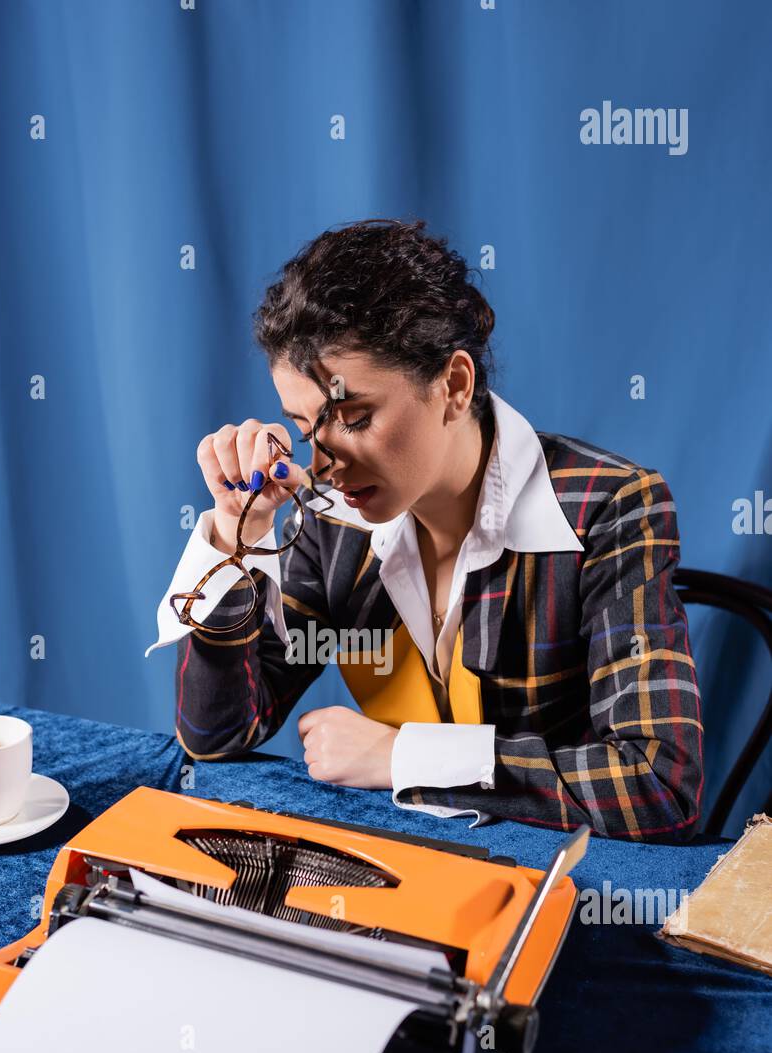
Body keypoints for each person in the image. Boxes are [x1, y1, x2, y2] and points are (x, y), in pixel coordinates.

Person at [147, 218, 704, 840]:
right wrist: (235, 539)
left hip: (563, 884)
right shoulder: (332, 519)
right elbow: (217, 734)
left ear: (454, 385)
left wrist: (403, 759)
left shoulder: (609, 507)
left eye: (353, 417)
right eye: (307, 429)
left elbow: (659, 785)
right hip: (398, 874)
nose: (324, 464)